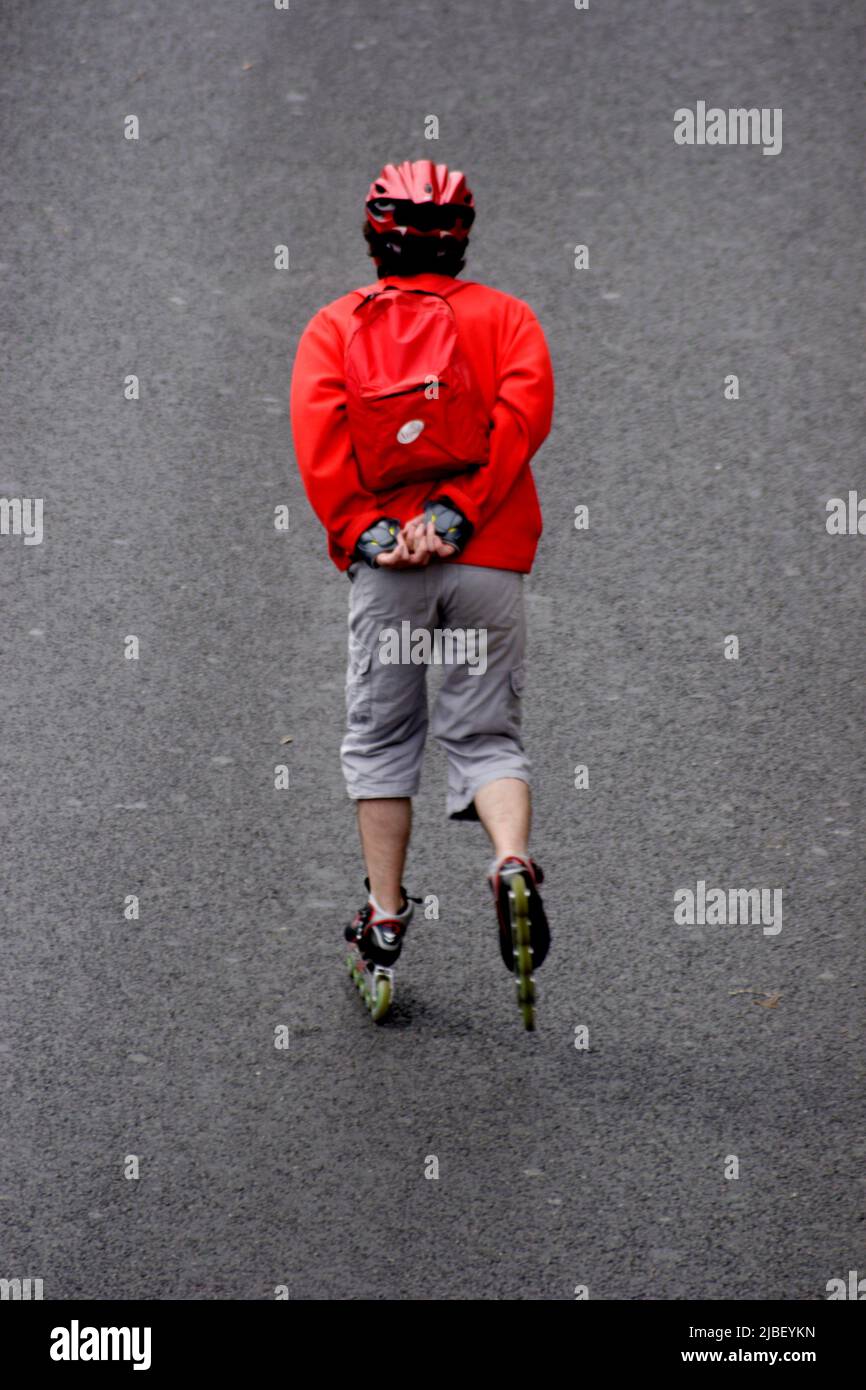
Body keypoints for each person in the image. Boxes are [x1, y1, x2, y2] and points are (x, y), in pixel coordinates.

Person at [290, 158, 554, 1022]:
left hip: (391, 575)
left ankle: (386, 922)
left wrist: (371, 530)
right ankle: (510, 860)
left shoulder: (334, 327)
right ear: (463, 238)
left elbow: (320, 442)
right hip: (486, 560)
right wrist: (459, 514)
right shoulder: (511, 321)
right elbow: (521, 426)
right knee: (485, 735)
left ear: (374, 239)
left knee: (382, 743)